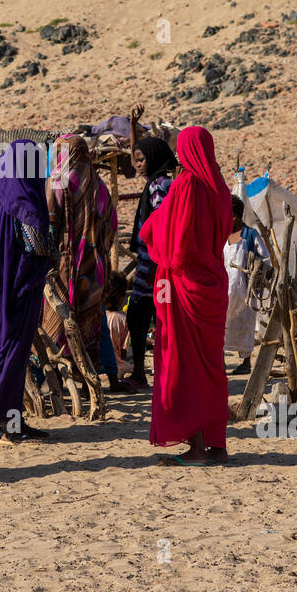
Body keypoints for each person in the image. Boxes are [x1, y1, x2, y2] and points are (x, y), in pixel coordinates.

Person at [141, 126, 235, 465]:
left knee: (185, 366)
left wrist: (154, 230)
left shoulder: (187, 186)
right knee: (212, 369)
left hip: (183, 288)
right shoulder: (221, 190)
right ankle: (218, 446)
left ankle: (197, 448)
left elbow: (173, 246)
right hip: (214, 287)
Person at [0, 139, 53, 443]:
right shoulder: (24, 205)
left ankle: (10, 422)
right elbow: (39, 247)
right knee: (12, 357)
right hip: (16, 293)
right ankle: (10, 427)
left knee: (0, 352)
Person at [42, 134, 117, 375]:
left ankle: (61, 377)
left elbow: (51, 227)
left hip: (64, 266)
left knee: (60, 319)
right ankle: (87, 377)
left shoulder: (57, 181)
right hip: (95, 267)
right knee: (89, 323)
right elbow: (113, 225)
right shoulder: (99, 184)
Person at [126, 105, 178, 388]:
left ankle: (144, 374)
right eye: (135, 160)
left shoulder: (159, 187)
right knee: (153, 316)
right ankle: (153, 374)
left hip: (155, 264)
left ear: (153, 158)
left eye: (141, 160)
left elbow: (161, 224)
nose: (136, 164)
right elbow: (138, 152)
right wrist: (133, 126)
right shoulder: (160, 181)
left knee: (145, 315)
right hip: (153, 263)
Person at [224, 194, 268, 375]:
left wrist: (256, 272)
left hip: (246, 291)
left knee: (246, 324)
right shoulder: (223, 236)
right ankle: (221, 361)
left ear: (234, 216)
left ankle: (246, 362)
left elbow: (265, 257)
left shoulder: (250, 235)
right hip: (225, 291)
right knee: (222, 325)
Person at [105, 271, 134, 384]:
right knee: (131, 367)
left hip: (99, 365)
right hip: (117, 364)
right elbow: (124, 351)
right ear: (121, 296)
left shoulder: (100, 316)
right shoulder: (123, 319)